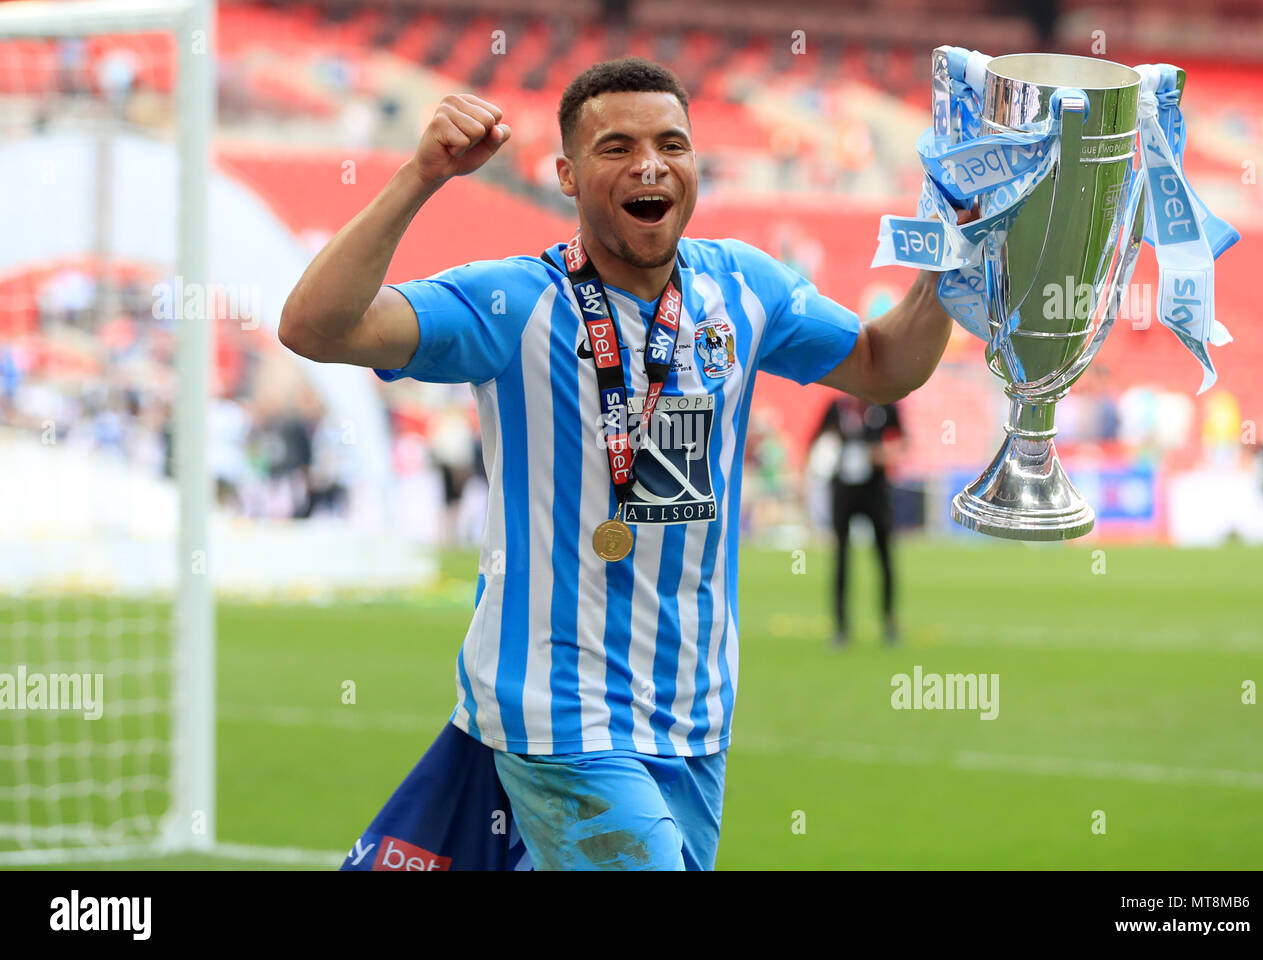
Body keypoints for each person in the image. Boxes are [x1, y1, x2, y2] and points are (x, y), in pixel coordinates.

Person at [280, 57, 972, 871]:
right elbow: (316, 327)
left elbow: (886, 365)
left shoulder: (745, 289)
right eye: (617, 148)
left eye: (671, 144)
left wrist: (956, 252)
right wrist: (422, 174)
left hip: (693, 717)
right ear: (567, 175)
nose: (650, 164)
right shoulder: (514, 304)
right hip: (558, 711)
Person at [813, 394, 903, 647]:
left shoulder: (884, 406)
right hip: (843, 490)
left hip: (875, 490)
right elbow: (818, 438)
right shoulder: (837, 407)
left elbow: (903, 441)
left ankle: (889, 622)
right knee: (841, 556)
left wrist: (884, 454)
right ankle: (841, 627)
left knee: (884, 556)